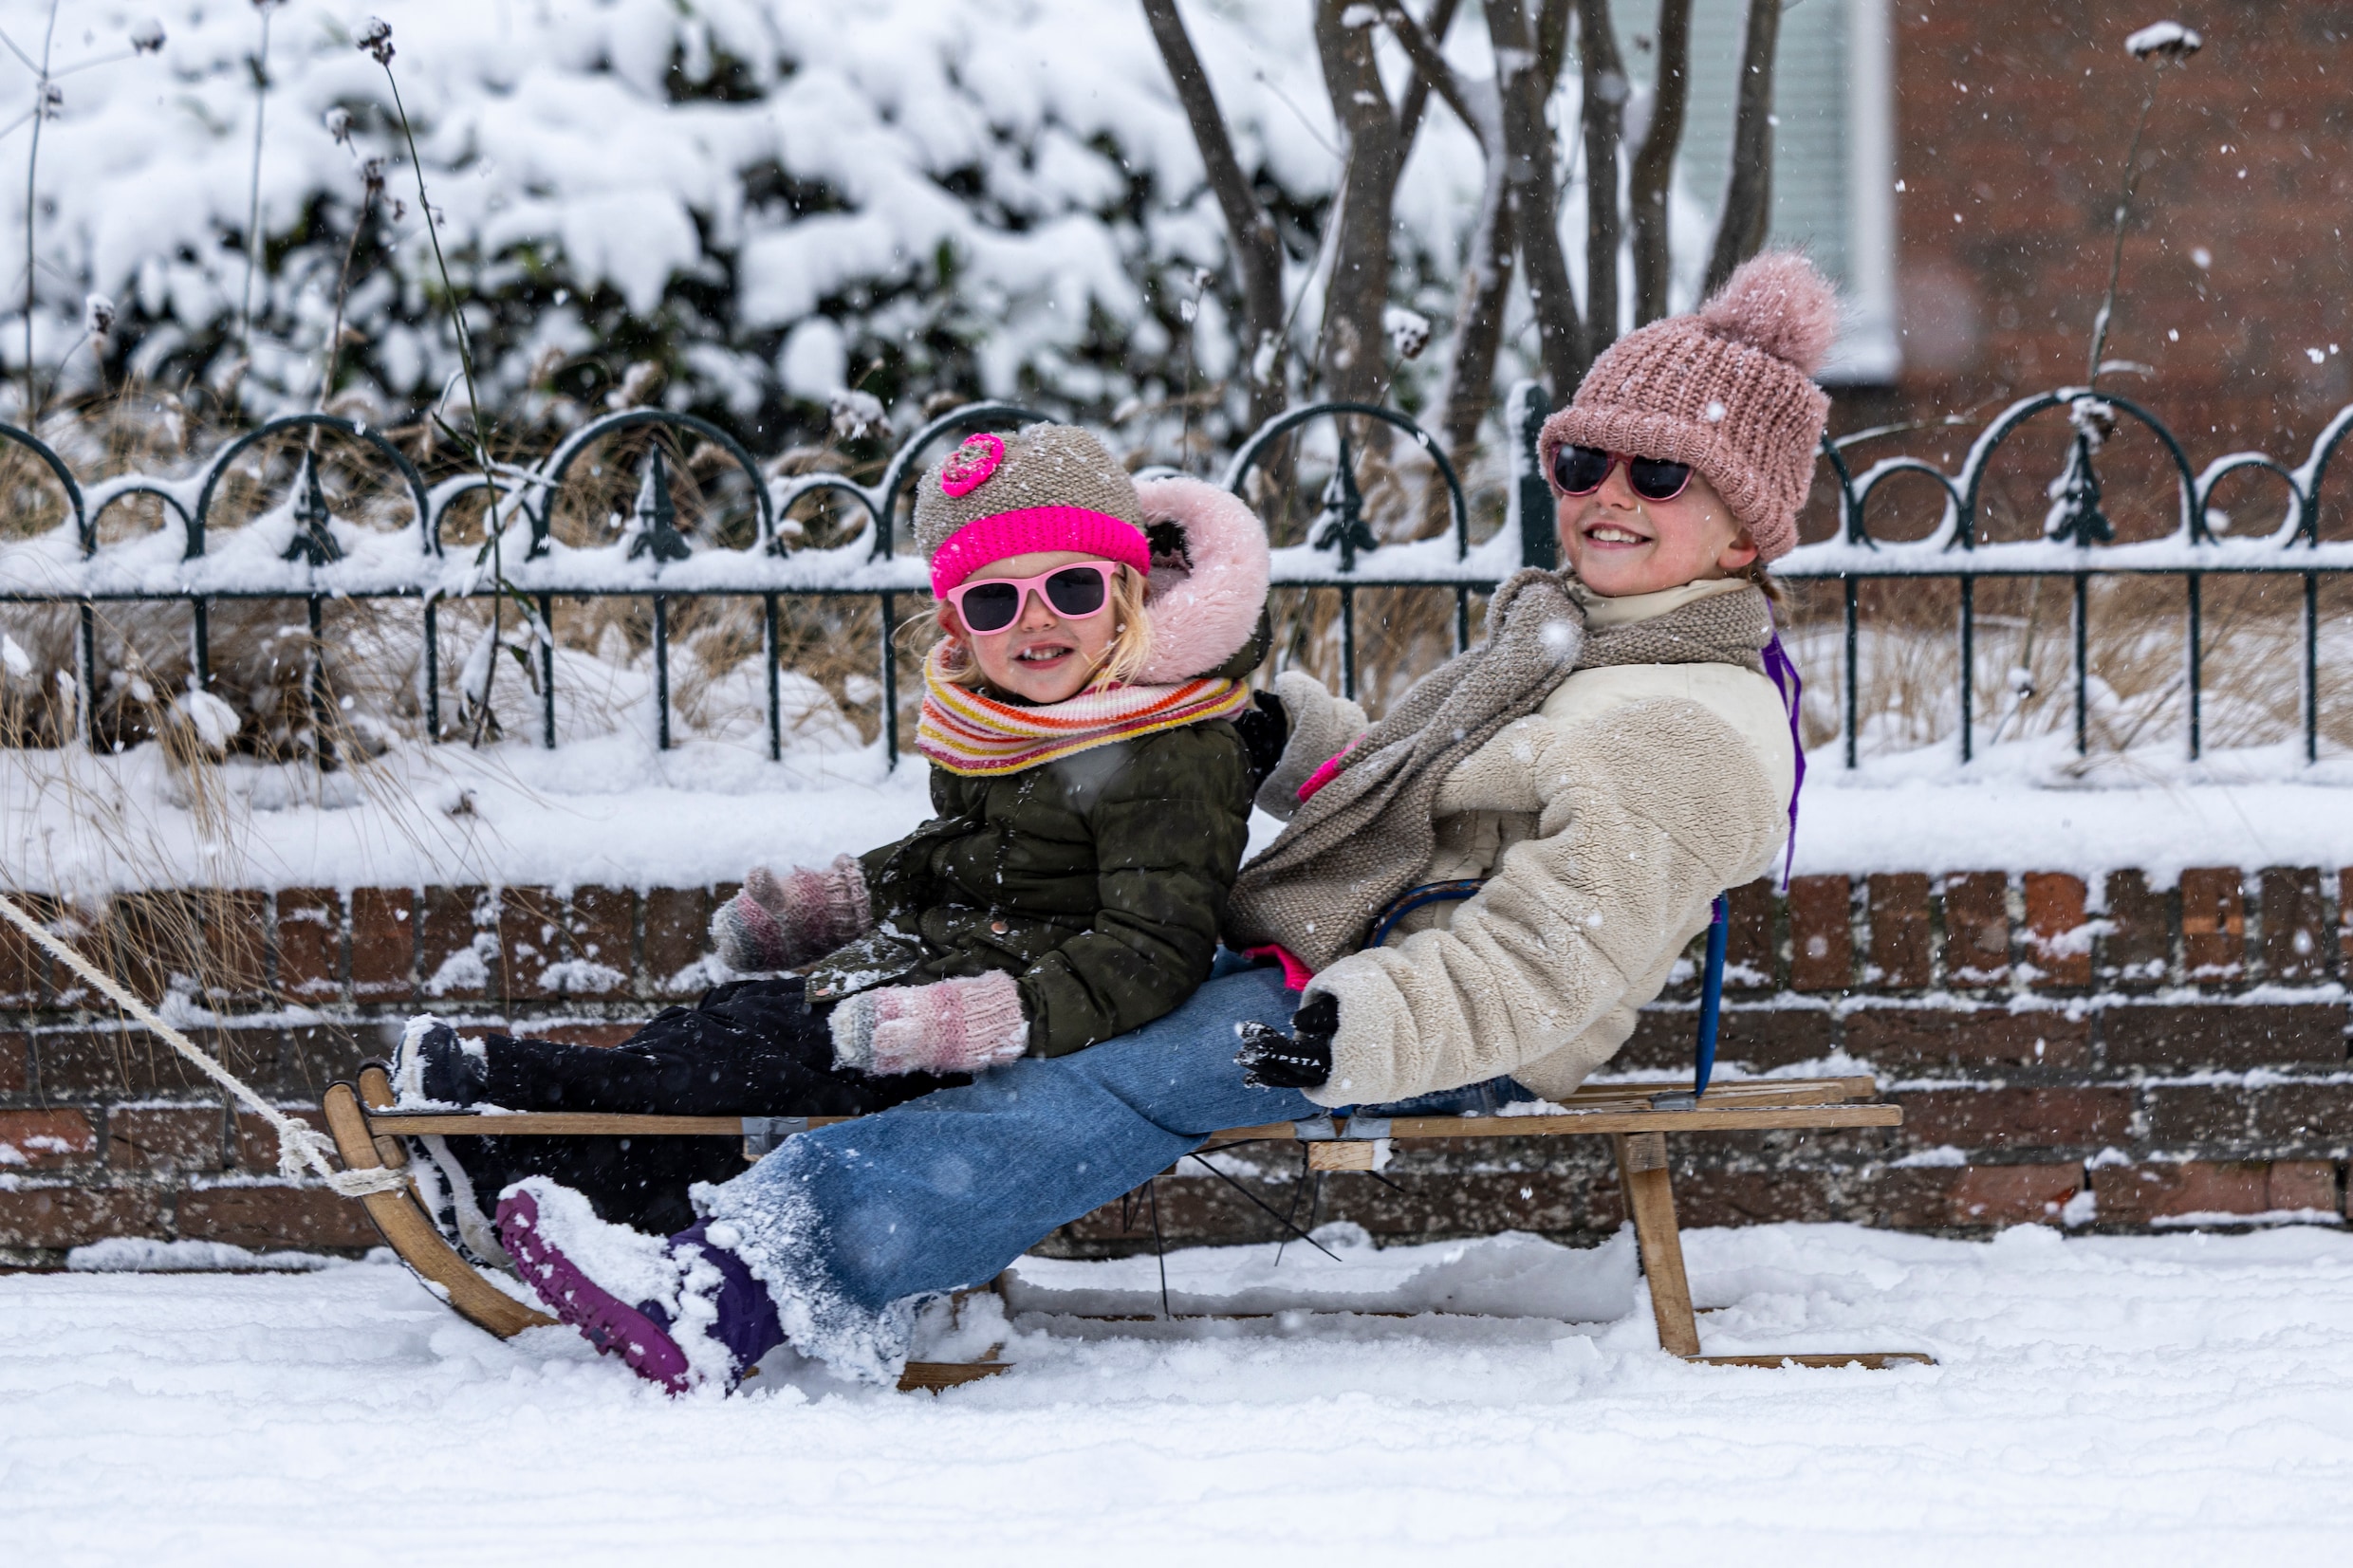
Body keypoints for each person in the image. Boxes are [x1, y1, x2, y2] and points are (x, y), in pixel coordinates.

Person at [492, 253, 1831, 1394]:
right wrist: (1263, 723)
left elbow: (1552, 960)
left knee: (1120, 1063)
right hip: (1334, 962)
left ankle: (745, 1288)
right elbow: (1404, 795)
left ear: (1743, 531)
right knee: (1039, 967)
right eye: (1585, 457)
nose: (1608, 492)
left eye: (1661, 473)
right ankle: (656, 1185)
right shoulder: (1567, 641)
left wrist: (1347, 1026)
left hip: (1434, 1021)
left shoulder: (1686, 724)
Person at [388, 422, 1276, 1272]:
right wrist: (846, 900)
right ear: (959, 625)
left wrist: (990, 1017)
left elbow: (1154, 950)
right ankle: (562, 1183)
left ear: (1124, 592)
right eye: (997, 599)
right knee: (718, 1026)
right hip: (922, 966)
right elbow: (959, 852)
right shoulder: (1010, 723)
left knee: (735, 1067)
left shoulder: (1171, 745)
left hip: (994, 1013)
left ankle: (501, 1094)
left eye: (1072, 588)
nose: (1037, 622)